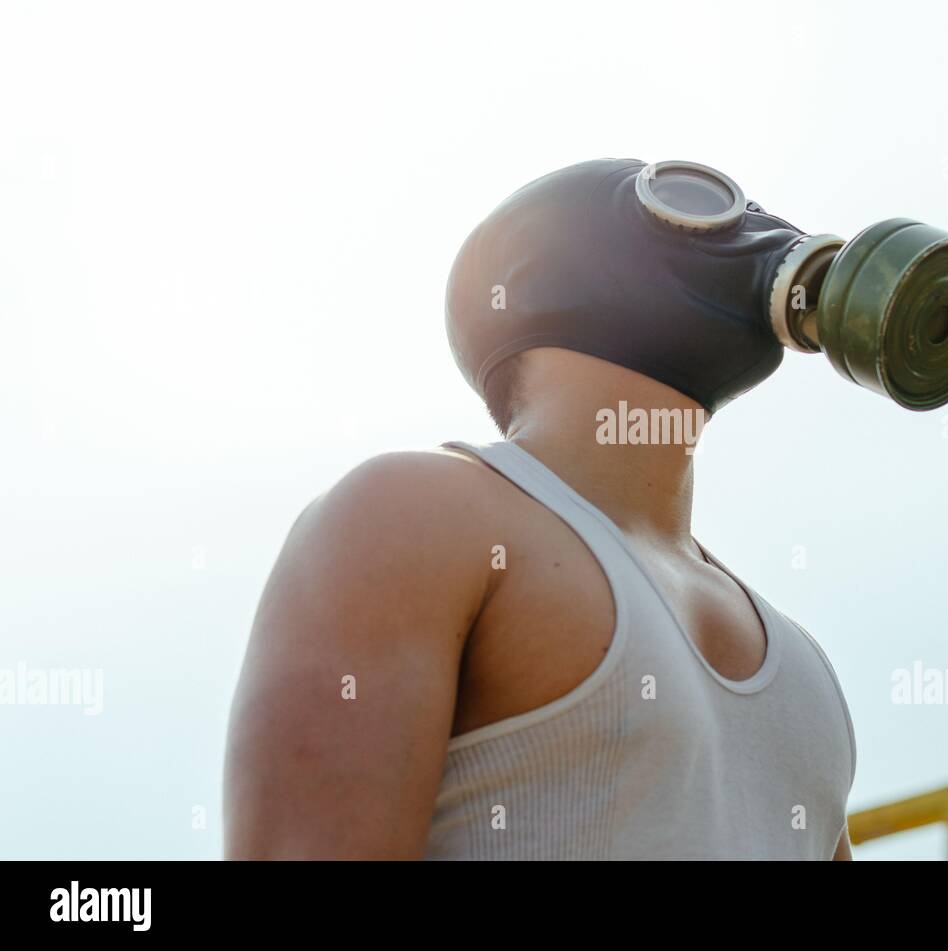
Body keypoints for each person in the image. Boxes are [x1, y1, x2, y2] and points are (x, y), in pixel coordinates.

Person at [223, 159, 857, 859]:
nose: (754, 238)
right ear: (523, 279)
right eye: (692, 205)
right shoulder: (412, 513)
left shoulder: (804, 670)